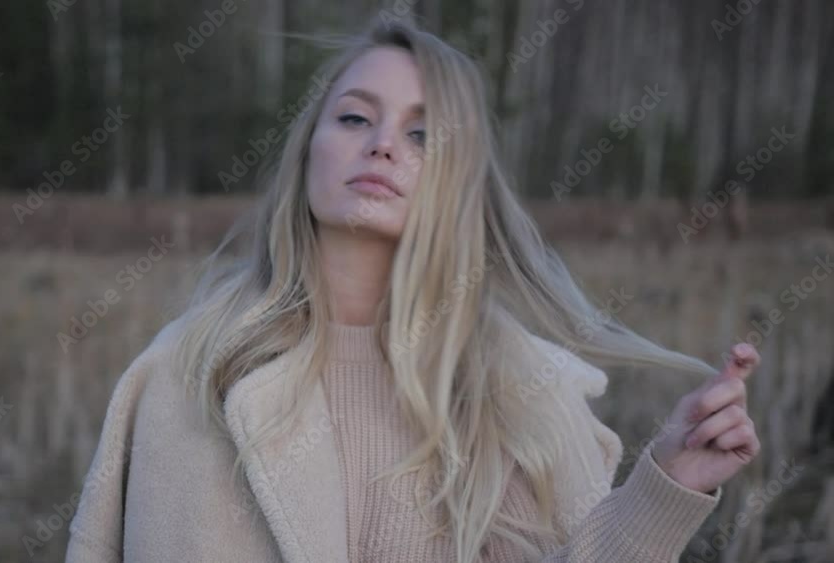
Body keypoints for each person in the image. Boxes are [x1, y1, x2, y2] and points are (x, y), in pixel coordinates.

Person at [65, 16, 761, 563]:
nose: (384, 144)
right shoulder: (192, 373)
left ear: (457, 179)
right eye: (355, 117)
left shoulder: (524, 394)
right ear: (308, 148)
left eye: (423, 132)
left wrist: (662, 490)